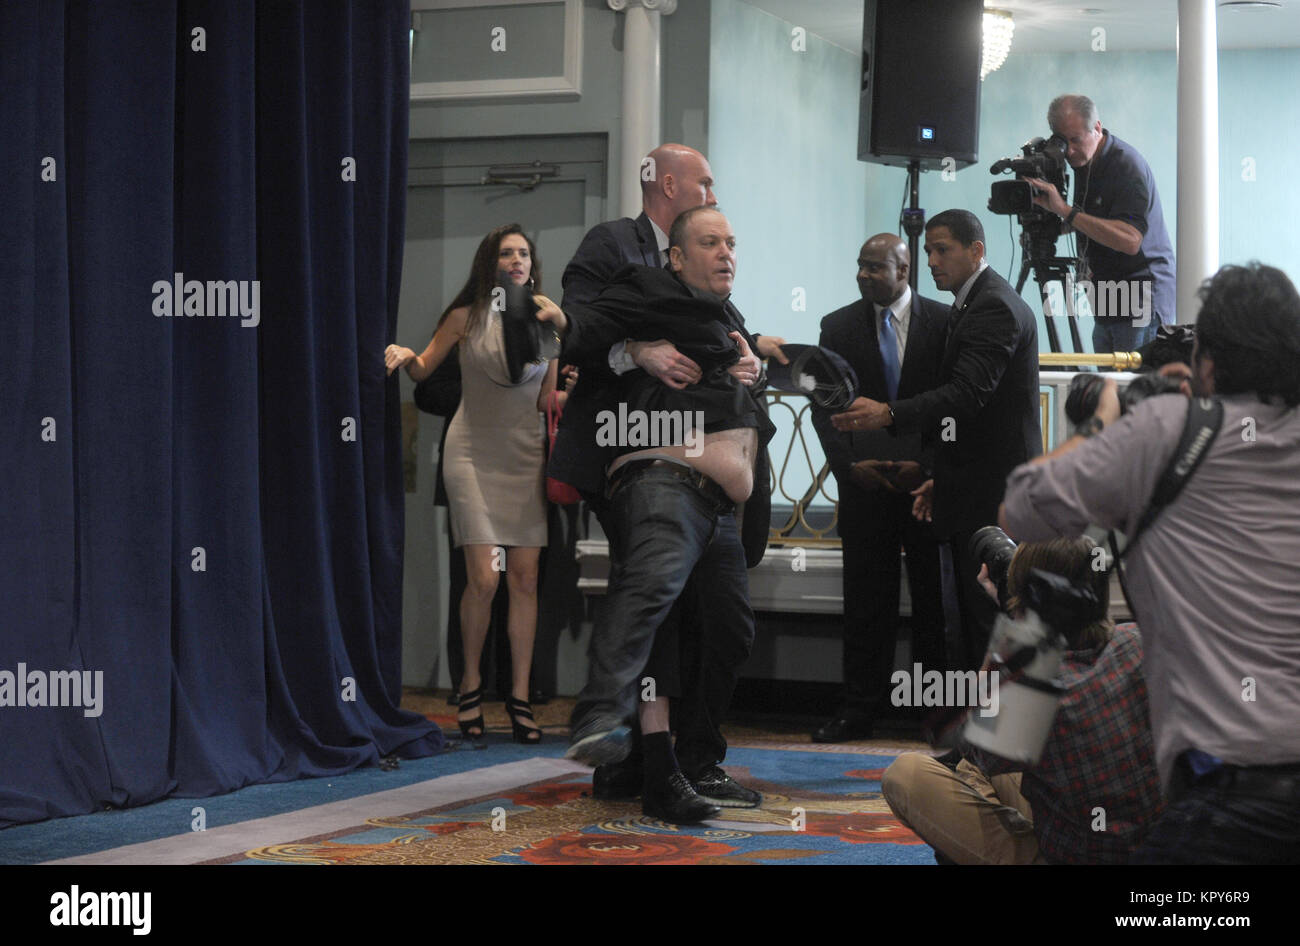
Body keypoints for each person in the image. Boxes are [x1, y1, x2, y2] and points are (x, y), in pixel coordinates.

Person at [1000, 262, 1300, 864]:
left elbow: (1022, 510)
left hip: (1234, 800)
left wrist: (1106, 419)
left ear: (1208, 362)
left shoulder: (1167, 430)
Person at [556, 144, 782, 810]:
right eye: (705, 184)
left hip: (712, 479)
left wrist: (753, 366)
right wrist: (634, 349)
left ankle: (674, 762)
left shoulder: (712, 286)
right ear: (670, 183)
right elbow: (581, 325)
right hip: (635, 458)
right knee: (657, 602)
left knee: (718, 623)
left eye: (729, 238)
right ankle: (645, 760)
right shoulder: (617, 247)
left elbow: (734, 345)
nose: (714, 193)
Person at [832, 210, 1041, 671]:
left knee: (990, 621)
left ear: (977, 251)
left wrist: (887, 413)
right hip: (971, 488)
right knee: (974, 620)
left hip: (994, 495)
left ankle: (996, 740)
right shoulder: (974, 302)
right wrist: (940, 477)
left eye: (942, 249)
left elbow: (966, 396)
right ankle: (975, 740)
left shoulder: (992, 306)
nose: (932, 260)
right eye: (928, 250)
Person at [882, 536, 1163, 865]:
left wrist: (1012, 634)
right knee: (991, 769)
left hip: (1077, 857)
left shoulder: (1035, 694)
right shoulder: (1139, 644)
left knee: (907, 774)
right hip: (1157, 847)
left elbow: (952, 734)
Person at [384, 224, 555, 745]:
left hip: (525, 455)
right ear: (490, 262)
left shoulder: (548, 319)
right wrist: (403, 354)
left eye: (524, 253)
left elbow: (549, 400)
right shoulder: (466, 317)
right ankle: (472, 682)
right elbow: (423, 371)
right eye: (507, 253)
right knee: (485, 578)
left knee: (524, 579)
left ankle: (520, 697)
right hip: (472, 453)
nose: (517, 260)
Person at [809, 234, 947, 742]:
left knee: (935, 602)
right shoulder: (837, 325)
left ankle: (937, 714)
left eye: (875, 267)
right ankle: (858, 710)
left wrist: (931, 468)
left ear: (904, 270)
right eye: (860, 266)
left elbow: (953, 406)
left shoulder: (946, 323)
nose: (864, 275)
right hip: (864, 486)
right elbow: (822, 406)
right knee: (866, 603)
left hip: (926, 489)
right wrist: (850, 468)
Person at [1023, 93, 1175, 351]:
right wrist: (1051, 227)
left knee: (1128, 388)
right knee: (1106, 387)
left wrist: (1065, 211)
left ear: (1097, 128)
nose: (1069, 151)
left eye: (1076, 140)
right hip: (1106, 300)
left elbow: (1130, 240)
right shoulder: (1083, 162)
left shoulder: (1125, 165)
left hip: (1139, 301)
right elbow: (1093, 218)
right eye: (1063, 142)